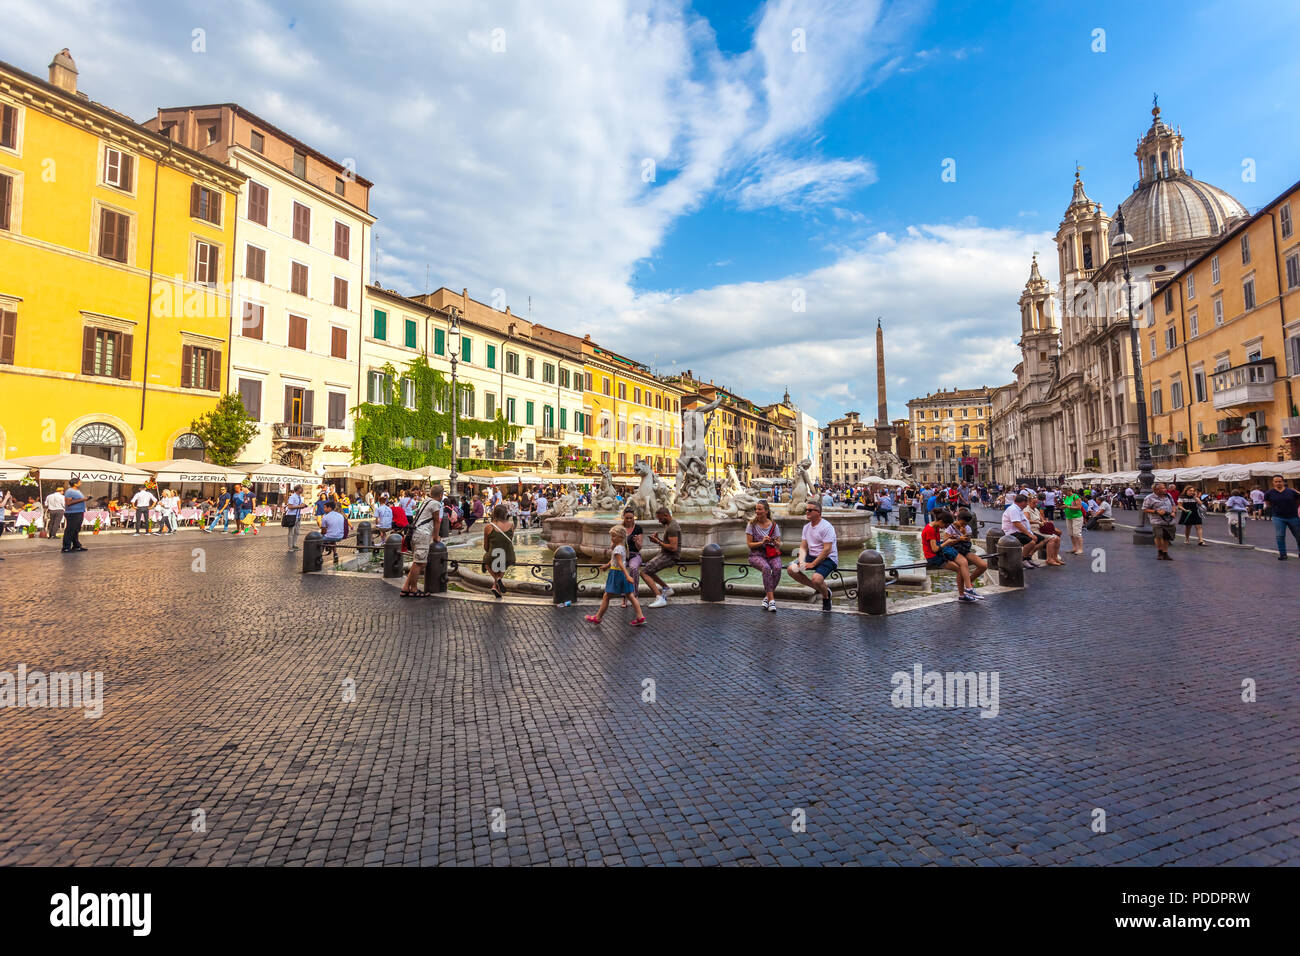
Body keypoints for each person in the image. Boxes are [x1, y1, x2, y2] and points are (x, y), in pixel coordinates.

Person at [585, 525, 647, 626]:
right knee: (630, 595)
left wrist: (627, 575)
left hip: (617, 574)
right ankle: (640, 617)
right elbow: (616, 560)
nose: (612, 538)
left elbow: (620, 563)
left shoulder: (618, 548)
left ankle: (598, 617)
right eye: (612, 536)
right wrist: (607, 565)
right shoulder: (623, 547)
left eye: (614, 536)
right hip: (621, 573)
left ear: (621, 537)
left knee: (607, 596)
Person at [787, 500, 838, 612]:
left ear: (818, 512)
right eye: (806, 510)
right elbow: (803, 546)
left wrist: (813, 564)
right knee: (791, 569)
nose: (807, 512)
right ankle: (822, 590)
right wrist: (801, 560)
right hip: (811, 556)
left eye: (810, 510)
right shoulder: (806, 527)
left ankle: (826, 597)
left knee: (816, 579)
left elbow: (827, 549)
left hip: (828, 558)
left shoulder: (826, 527)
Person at [924, 508, 978, 603]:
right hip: (934, 557)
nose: (945, 527)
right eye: (945, 525)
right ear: (940, 521)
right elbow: (934, 549)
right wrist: (947, 542)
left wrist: (949, 539)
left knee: (962, 565)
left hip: (940, 553)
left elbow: (938, 544)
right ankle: (965, 592)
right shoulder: (930, 530)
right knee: (960, 568)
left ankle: (965, 592)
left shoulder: (935, 527)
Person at [401, 484, 442, 597]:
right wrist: (436, 537)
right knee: (419, 563)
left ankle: (405, 587)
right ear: (440, 495)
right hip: (423, 534)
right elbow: (437, 521)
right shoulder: (435, 504)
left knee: (417, 562)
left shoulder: (426, 501)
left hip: (415, 533)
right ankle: (414, 589)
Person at [745, 499, 783, 612]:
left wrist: (773, 541)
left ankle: (767, 597)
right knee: (766, 568)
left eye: (759, 509)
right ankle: (772, 601)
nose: (757, 511)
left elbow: (779, 544)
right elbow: (749, 544)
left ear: (766, 511)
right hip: (756, 554)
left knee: (777, 568)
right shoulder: (751, 525)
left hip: (771, 554)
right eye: (756, 509)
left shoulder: (773, 525)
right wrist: (762, 542)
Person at [641, 507, 681, 608]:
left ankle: (660, 598)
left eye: (660, 519)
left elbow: (673, 547)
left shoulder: (673, 527)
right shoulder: (669, 524)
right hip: (666, 554)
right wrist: (657, 539)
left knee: (644, 572)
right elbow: (668, 543)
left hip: (670, 556)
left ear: (666, 516)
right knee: (648, 569)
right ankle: (666, 588)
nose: (659, 521)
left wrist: (657, 541)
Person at [481, 503, 517, 599]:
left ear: (494, 514)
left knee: (486, 560)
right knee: (504, 560)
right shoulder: (511, 525)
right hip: (509, 556)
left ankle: (496, 579)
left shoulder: (489, 527)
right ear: (505, 514)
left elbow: (486, 547)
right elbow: (507, 543)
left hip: (494, 555)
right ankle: (497, 585)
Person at [1001, 493, 1043, 568]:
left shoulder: (1019, 509)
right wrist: (1029, 534)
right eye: (1026, 502)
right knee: (1031, 542)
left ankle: (1028, 557)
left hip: (1020, 531)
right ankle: (1023, 559)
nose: (1027, 504)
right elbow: (1017, 524)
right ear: (1022, 502)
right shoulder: (1013, 509)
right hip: (1013, 532)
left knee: (1041, 539)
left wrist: (1030, 533)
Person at [1263, 474, 1300, 560]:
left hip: (1293, 516)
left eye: (1280, 481)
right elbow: (1268, 504)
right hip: (1278, 517)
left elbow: (1298, 502)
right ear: (1273, 483)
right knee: (1280, 536)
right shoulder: (1269, 493)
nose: (1278, 483)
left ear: (1283, 482)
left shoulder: (1291, 492)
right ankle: (1283, 554)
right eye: (1276, 482)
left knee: (1298, 536)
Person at [1142, 482, 1177, 560]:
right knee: (1158, 536)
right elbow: (1144, 509)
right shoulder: (1149, 497)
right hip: (1157, 521)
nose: (1165, 489)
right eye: (1163, 488)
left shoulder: (1168, 495)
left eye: (1165, 488)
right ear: (1156, 490)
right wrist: (1156, 512)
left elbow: (1173, 504)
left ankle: (1165, 552)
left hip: (1169, 520)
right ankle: (1160, 551)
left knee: (1167, 537)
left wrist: (1173, 512)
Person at [620, 507, 645, 608]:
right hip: (622, 555)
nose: (629, 520)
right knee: (622, 570)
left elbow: (639, 547)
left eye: (631, 518)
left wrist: (636, 541)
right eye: (627, 518)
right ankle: (624, 597)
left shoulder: (638, 528)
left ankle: (634, 595)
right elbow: (613, 545)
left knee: (634, 568)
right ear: (624, 517)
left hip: (635, 554)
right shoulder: (620, 528)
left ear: (633, 517)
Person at [60, 478, 88, 552]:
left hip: (79, 511)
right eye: (79, 482)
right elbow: (68, 503)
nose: (81, 483)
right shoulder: (70, 491)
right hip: (72, 513)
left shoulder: (77, 491)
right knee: (70, 530)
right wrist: (83, 499)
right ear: (75, 483)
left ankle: (76, 545)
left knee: (76, 530)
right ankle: (66, 546)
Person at [1059, 485, 1086, 555]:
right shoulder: (1065, 497)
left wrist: (1068, 506)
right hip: (1069, 517)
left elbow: (1079, 507)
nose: (1064, 493)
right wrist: (1061, 506)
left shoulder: (1075, 497)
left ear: (1068, 490)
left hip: (1077, 517)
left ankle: (1080, 549)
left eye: (1064, 492)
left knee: (1077, 533)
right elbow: (1065, 505)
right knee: (1071, 534)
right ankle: (1074, 548)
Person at [284, 485, 308, 551]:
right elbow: (290, 506)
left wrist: (303, 506)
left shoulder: (299, 497)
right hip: (292, 516)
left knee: (297, 532)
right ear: (298, 489)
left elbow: (298, 506)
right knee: (291, 532)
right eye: (301, 488)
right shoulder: (292, 497)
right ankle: (290, 547)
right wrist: (300, 506)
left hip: (298, 516)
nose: (302, 490)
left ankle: (294, 545)